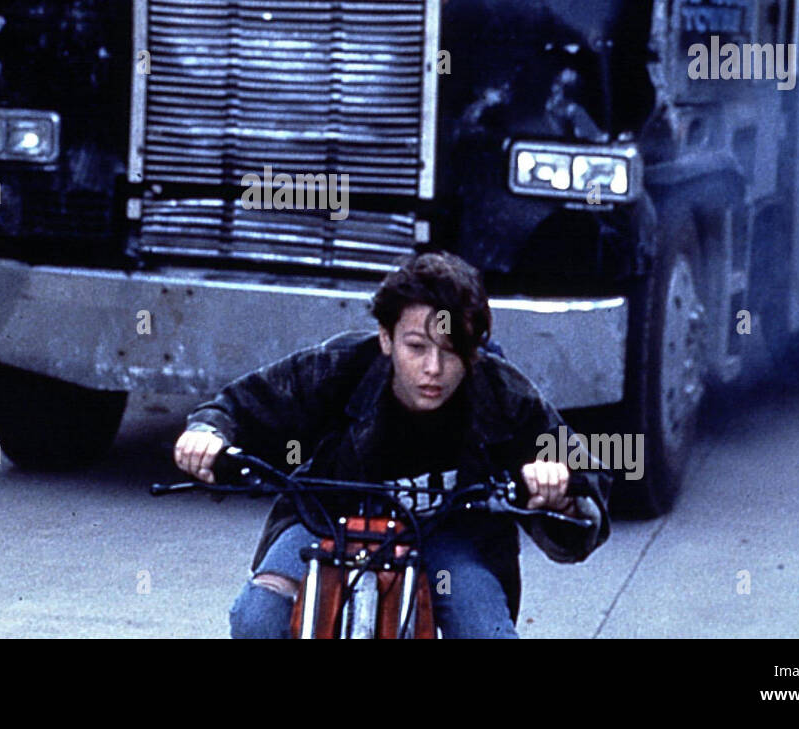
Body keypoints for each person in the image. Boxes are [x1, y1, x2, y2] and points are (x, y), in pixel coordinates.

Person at [173, 251, 612, 638]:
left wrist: (561, 489)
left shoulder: (502, 392)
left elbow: (586, 469)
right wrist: (207, 435)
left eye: (452, 350)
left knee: (486, 631)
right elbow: (242, 404)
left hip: (449, 536)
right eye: (416, 347)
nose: (433, 369)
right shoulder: (339, 366)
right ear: (386, 338)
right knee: (258, 618)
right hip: (326, 519)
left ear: (475, 348)